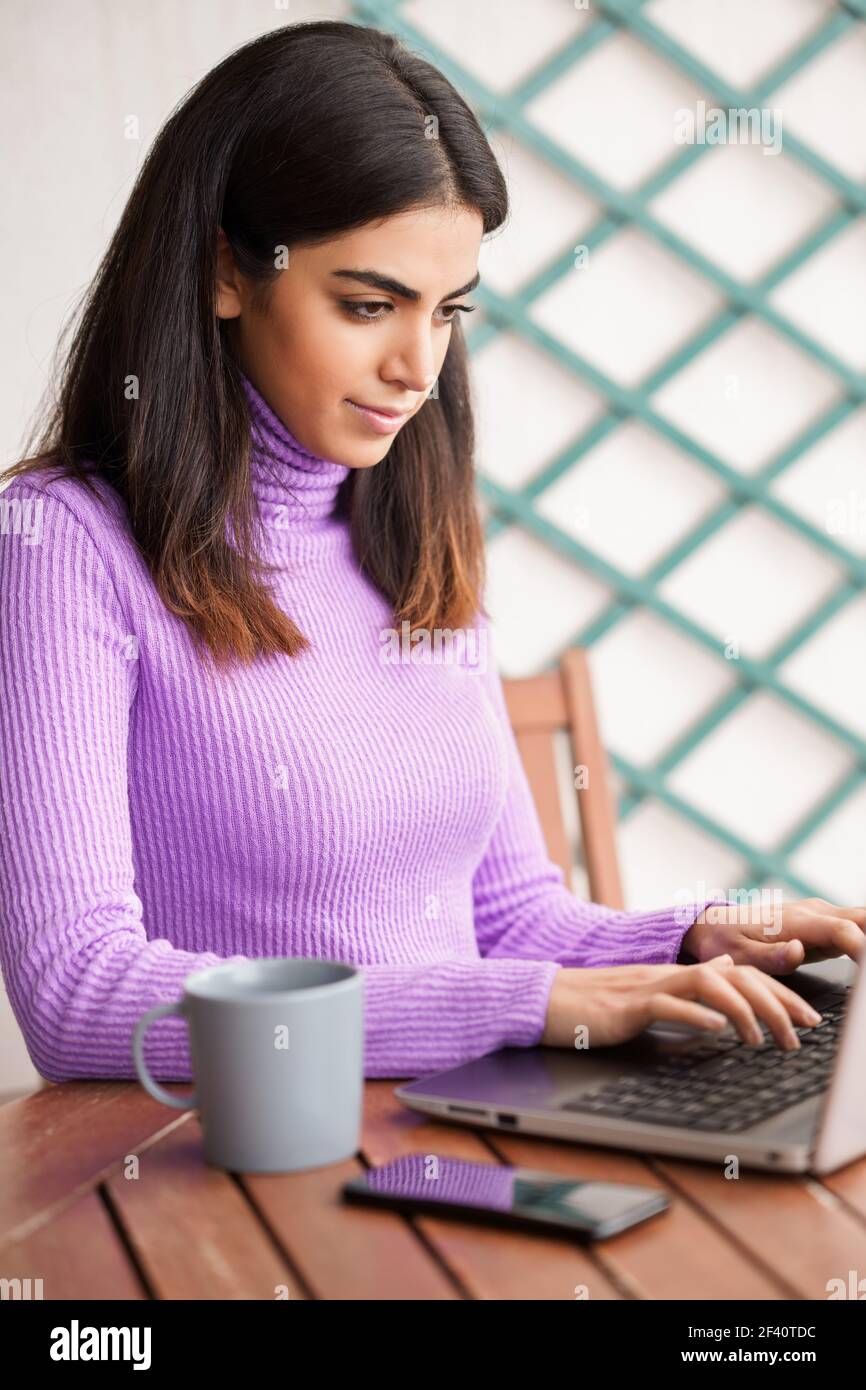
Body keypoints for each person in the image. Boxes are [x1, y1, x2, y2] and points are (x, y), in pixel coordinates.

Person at [0, 20, 861, 1085]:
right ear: (226, 270)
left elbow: (506, 916)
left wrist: (684, 941)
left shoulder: (408, 532)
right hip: (231, 1180)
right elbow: (81, 995)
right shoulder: (61, 545)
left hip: (446, 1143)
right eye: (368, 305)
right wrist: (517, 1003)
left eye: (447, 311)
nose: (416, 365)